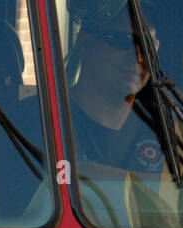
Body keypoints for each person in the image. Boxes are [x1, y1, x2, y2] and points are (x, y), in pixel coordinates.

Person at [63, 0, 169, 180]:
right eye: (122, 41)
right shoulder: (42, 121)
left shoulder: (167, 131)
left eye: (147, 45)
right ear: (85, 43)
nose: (138, 57)